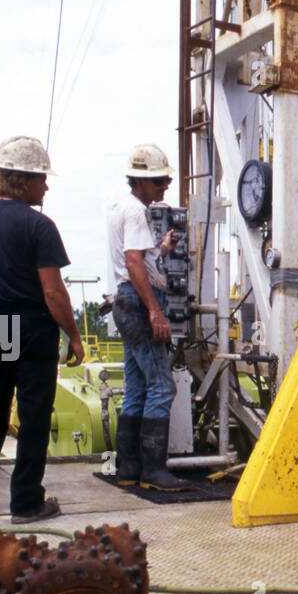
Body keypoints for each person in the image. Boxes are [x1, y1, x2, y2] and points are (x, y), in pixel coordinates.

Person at [0, 136, 83, 521]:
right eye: (42, 179)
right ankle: (26, 503)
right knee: (35, 413)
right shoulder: (38, 225)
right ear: (23, 181)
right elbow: (53, 292)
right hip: (32, 326)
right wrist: (73, 335)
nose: (46, 186)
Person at [108, 144, 188, 491]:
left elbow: (142, 258)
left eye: (166, 180)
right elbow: (134, 262)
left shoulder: (121, 209)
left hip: (125, 301)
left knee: (137, 387)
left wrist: (164, 248)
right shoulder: (136, 213)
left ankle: (129, 468)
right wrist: (156, 311)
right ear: (139, 181)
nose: (164, 186)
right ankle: (154, 472)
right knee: (162, 385)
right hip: (139, 302)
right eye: (158, 181)